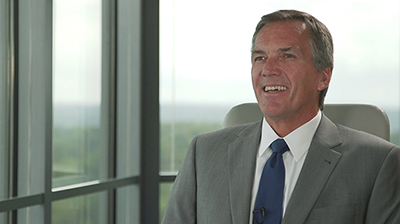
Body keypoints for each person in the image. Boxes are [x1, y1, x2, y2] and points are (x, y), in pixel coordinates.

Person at [161, 10, 400, 224]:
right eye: (260, 57)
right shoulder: (203, 153)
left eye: (287, 56)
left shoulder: (378, 163)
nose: (268, 69)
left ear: (323, 77)